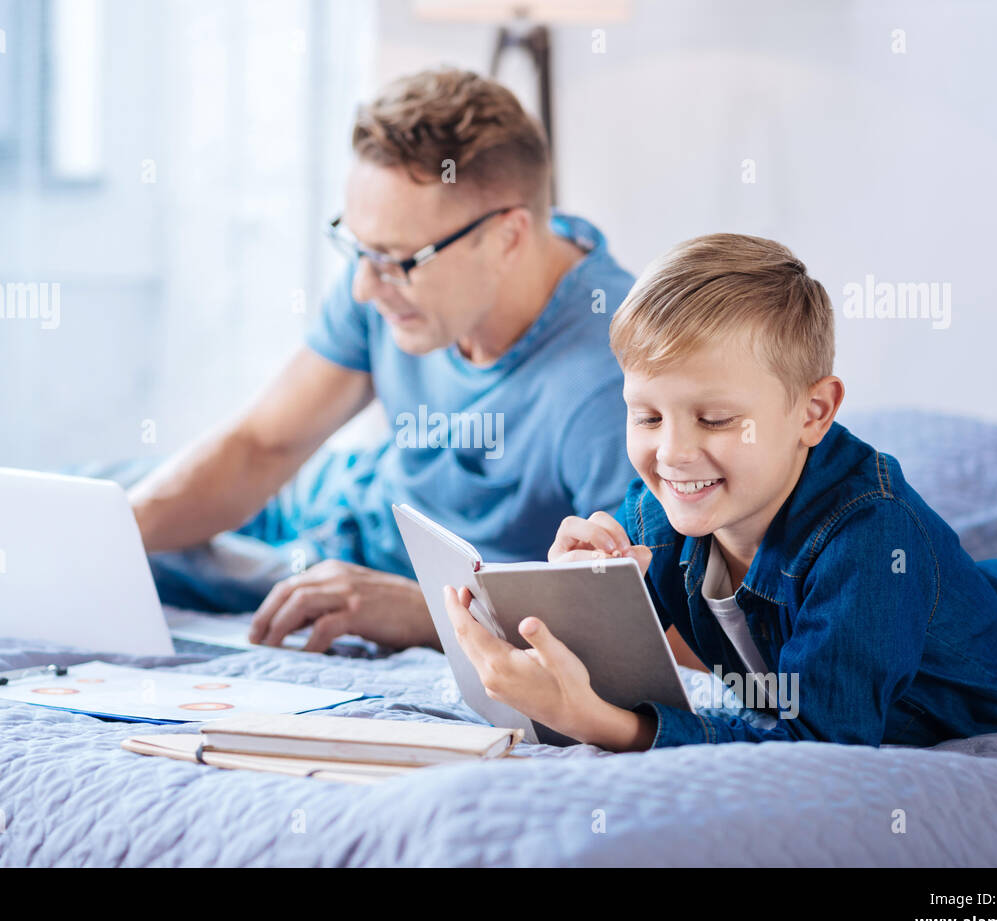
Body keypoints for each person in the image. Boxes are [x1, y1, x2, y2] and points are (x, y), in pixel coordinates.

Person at [443, 233, 997, 749]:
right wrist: (584, 594)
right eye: (647, 416)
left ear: (813, 413)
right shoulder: (665, 508)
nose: (671, 452)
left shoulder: (871, 536)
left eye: (716, 418)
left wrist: (611, 726)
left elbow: (821, 742)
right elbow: (641, 658)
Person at [128, 68, 637, 652]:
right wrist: (114, 535)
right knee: (85, 511)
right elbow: (261, 448)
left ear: (509, 236)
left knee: (145, 564)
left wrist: (428, 613)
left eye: (397, 259)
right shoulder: (393, 280)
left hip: (356, 573)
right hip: (319, 510)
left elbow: (640, 623)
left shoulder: (613, 378)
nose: (365, 289)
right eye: (357, 249)